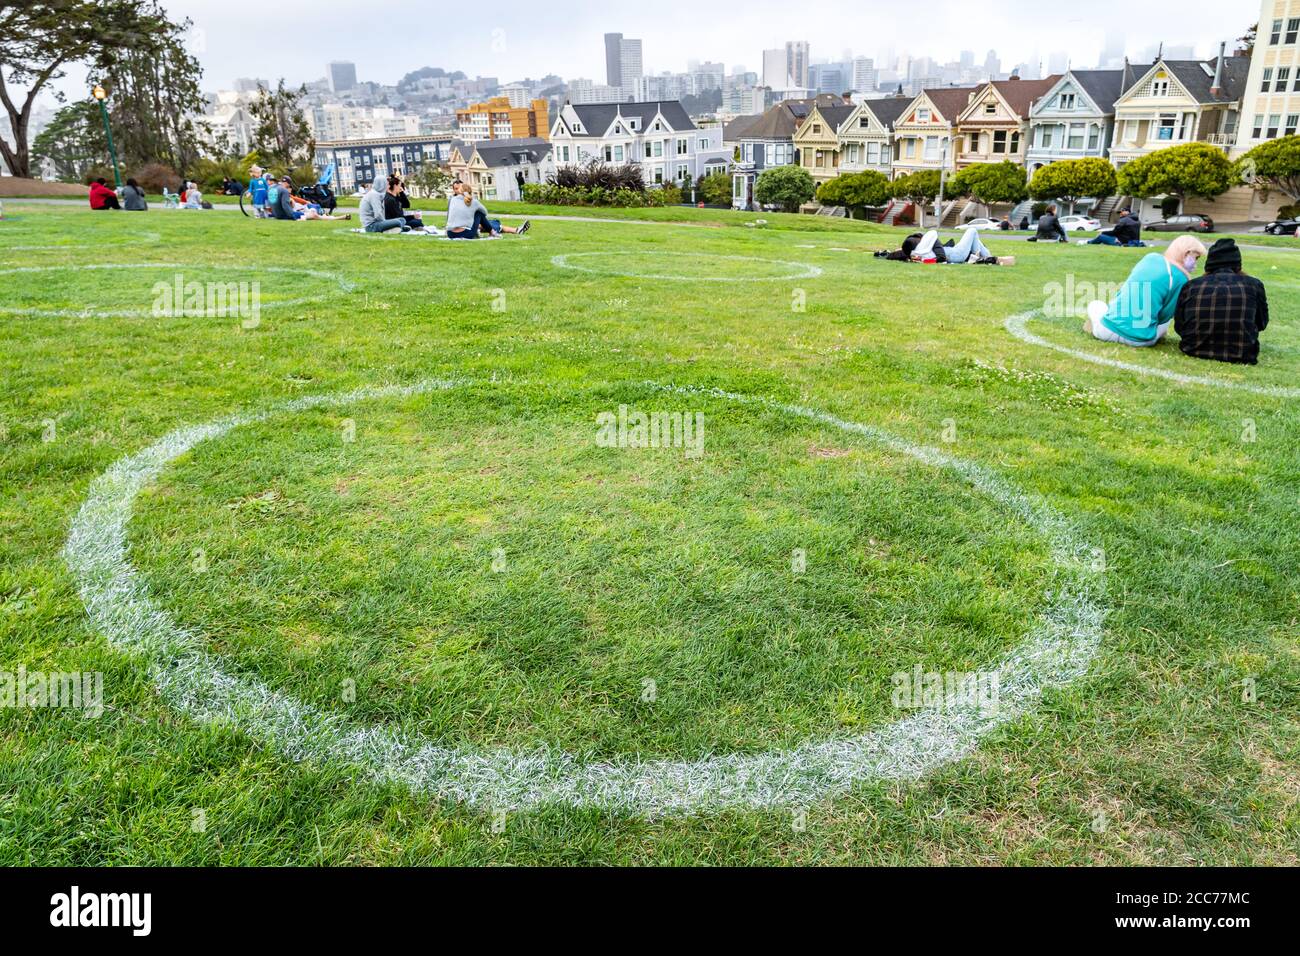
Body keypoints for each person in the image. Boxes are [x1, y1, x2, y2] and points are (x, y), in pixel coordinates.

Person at [1083, 235, 1207, 347]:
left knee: (1096, 305)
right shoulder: (1181, 279)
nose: (1195, 263)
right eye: (1196, 258)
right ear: (1186, 254)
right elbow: (1165, 315)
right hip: (1141, 340)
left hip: (1106, 331)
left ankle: (1097, 324)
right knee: (1164, 323)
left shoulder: (1150, 258)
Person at [1172, 238, 1269, 364]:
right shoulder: (1254, 285)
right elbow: (1262, 323)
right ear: (1237, 264)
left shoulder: (1191, 286)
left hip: (1193, 349)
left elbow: (1180, 325)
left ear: (1209, 263)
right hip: (1242, 354)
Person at [875, 226, 1009, 265]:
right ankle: (982, 257)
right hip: (956, 254)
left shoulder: (914, 253)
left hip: (954, 252)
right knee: (972, 230)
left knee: (974, 240)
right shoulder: (930, 243)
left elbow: (898, 253)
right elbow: (942, 257)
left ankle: (985, 254)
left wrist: (887, 254)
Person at [445, 184, 529, 239]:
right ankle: (493, 232)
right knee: (479, 213)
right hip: (466, 234)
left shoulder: (452, 200)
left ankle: (511, 230)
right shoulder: (474, 202)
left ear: (459, 191)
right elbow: (485, 213)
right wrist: (473, 210)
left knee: (494, 223)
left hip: (450, 233)